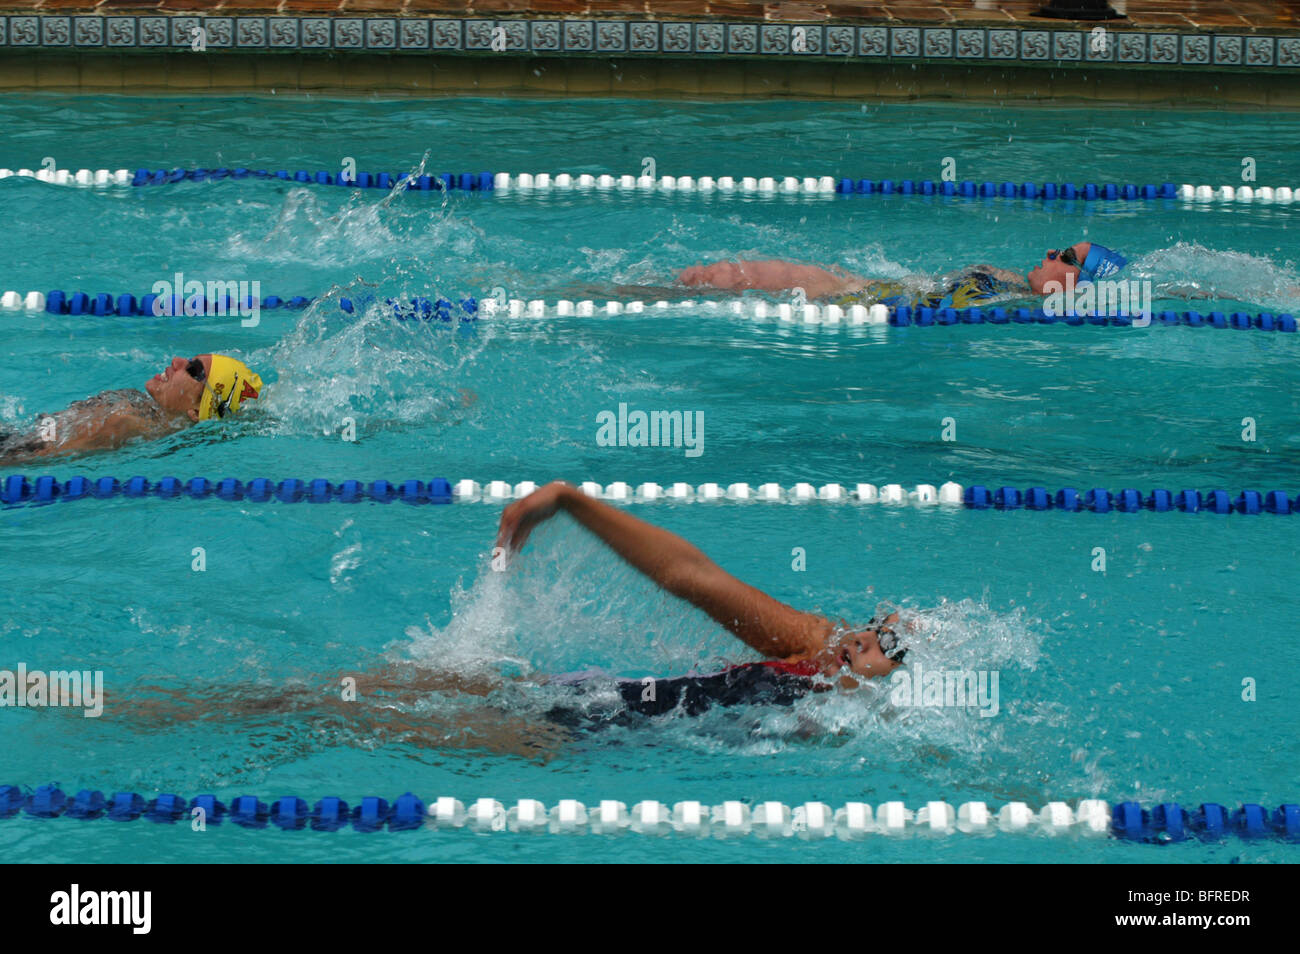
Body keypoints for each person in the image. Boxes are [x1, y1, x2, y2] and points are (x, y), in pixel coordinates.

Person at [497, 481, 907, 725]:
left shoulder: (874, 722)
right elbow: (692, 578)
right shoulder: (812, 647)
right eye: (871, 625)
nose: (863, 638)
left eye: (888, 645)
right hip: (587, 713)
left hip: (608, 747)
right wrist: (571, 501)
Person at [676, 240, 1128, 309]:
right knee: (731, 275)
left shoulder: (1017, 309)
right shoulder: (1013, 290)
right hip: (874, 291)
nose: (1050, 250)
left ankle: (630, 294)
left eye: (1066, 255)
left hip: (867, 300)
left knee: (735, 275)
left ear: (1078, 284)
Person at [0, 353, 262, 465]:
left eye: (193, 370)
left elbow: (38, 454)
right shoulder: (148, 421)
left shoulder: (127, 421)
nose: (177, 361)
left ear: (196, 410)